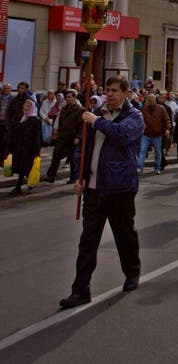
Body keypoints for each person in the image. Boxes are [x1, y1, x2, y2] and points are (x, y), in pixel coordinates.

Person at [58, 76, 144, 308]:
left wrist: (96, 121)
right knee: (88, 242)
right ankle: (80, 289)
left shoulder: (134, 116)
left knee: (124, 234)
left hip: (120, 189)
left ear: (126, 93)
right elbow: (83, 149)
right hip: (94, 190)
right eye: (107, 90)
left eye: (115, 90)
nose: (110, 94)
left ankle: (132, 272)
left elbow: (122, 135)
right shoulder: (95, 114)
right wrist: (80, 177)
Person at [43, 89, 82, 183]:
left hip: (72, 137)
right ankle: (51, 175)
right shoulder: (64, 108)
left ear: (74, 98)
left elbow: (81, 125)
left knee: (73, 158)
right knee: (56, 155)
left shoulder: (78, 109)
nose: (67, 99)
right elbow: (59, 120)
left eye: (69, 97)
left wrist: (78, 137)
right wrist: (56, 131)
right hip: (62, 136)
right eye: (66, 97)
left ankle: (73, 177)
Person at [5, 98, 41, 196]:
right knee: (23, 167)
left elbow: (37, 137)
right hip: (18, 147)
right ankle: (31, 181)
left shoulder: (36, 120)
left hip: (29, 149)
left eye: (29, 106)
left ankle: (18, 187)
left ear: (32, 108)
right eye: (25, 106)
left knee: (24, 167)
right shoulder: (21, 117)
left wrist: (37, 152)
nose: (26, 108)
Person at [138, 93, 170, 175]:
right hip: (146, 134)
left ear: (155, 100)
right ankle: (139, 169)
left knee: (158, 152)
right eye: (149, 100)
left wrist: (167, 129)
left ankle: (157, 168)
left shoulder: (161, 109)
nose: (151, 102)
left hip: (157, 134)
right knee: (142, 151)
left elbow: (167, 120)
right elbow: (139, 120)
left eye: (152, 100)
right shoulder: (144, 109)